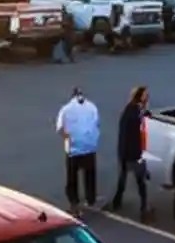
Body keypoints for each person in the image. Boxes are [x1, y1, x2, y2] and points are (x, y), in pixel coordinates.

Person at [56, 87, 100, 217]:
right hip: (89, 148)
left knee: (72, 178)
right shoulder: (92, 107)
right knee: (90, 175)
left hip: (73, 149)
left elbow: (60, 128)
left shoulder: (66, 109)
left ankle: (74, 203)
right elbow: (97, 124)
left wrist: (68, 139)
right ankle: (90, 198)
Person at [109, 86, 151, 220]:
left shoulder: (137, 110)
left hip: (133, 152)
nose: (147, 97)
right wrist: (123, 154)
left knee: (129, 179)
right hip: (132, 153)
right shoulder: (132, 112)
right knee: (137, 181)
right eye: (145, 95)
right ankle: (142, 208)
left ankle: (119, 201)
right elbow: (126, 134)